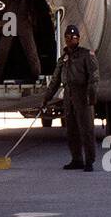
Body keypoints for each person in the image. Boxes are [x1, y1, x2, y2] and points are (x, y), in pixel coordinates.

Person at [40, 23, 100, 171]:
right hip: (69, 95)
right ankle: (76, 159)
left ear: (78, 39)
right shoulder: (63, 59)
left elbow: (94, 77)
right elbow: (55, 81)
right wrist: (46, 98)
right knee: (71, 129)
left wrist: (91, 96)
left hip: (82, 94)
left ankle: (89, 161)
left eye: (73, 37)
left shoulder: (87, 55)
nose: (69, 40)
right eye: (67, 37)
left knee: (86, 129)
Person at [0, 0, 42, 81]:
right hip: (10, 21)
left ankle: (36, 74)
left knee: (31, 50)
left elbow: (30, 0)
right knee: (3, 50)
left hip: (23, 23)